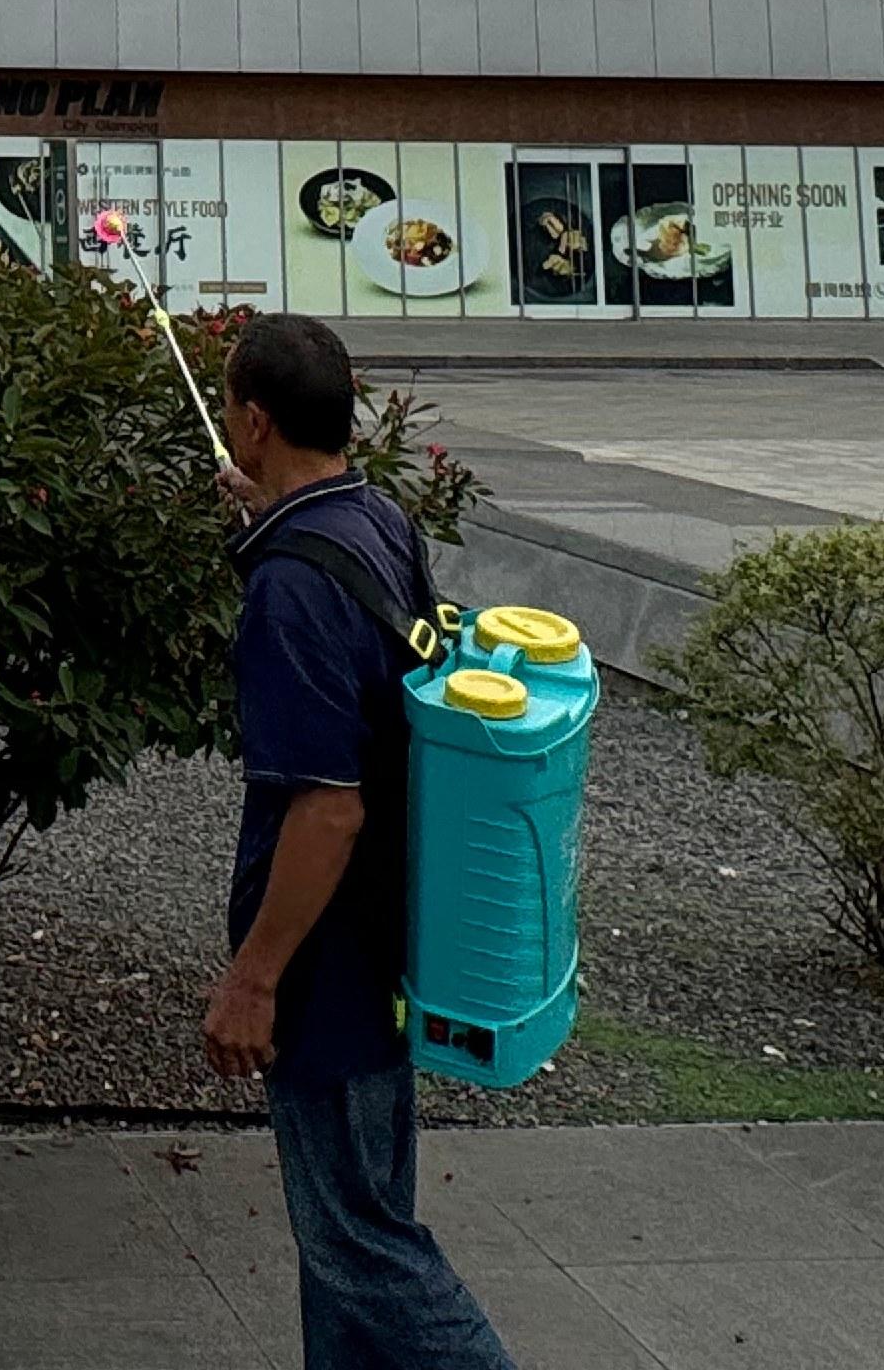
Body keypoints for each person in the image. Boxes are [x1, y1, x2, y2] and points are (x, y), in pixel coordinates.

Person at [202, 313, 518, 1368]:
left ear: (255, 422)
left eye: (231, 405)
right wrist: (270, 516)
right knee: (351, 1238)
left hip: (328, 964)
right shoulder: (371, 516)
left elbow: (328, 808)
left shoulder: (291, 587)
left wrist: (253, 980)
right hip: (388, 932)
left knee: (361, 1246)